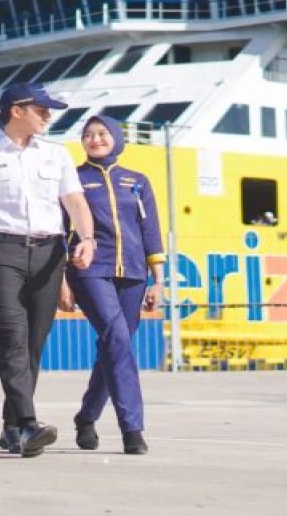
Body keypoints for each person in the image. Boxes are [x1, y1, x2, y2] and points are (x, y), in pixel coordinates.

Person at [0, 82, 96, 457]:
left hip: (50, 253)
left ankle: (10, 428)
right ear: (16, 111)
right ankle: (27, 424)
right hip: (1, 252)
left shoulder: (56, 154)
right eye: (41, 109)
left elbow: (75, 201)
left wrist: (87, 239)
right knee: (13, 339)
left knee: (34, 343)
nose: (48, 116)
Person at [64, 115, 165, 456]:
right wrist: (64, 279)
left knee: (114, 347)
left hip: (134, 273)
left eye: (102, 133)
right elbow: (62, 229)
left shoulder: (137, 181)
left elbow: (150, 231)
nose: (95, 139)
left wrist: (158, 280)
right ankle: (132, 429)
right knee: (117, 337)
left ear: (117, 138)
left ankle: (87, 416)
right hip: (90, 269)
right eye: (88, 134)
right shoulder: (74, 179)